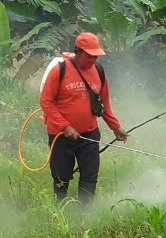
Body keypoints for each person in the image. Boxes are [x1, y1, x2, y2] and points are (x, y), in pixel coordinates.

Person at [39, 32, 129, 204]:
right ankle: (61, 209)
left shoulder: (99, 72)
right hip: (61, 136)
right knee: (61, 175)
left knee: (90, 174)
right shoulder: (60, 70)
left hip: (89, 134)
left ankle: (85, 212)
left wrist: (115, 127)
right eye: (89, 56)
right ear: (78, 52)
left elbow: (104, 104)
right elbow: (46, 102)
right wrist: (65, 126)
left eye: (96, 56)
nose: (93, 60)